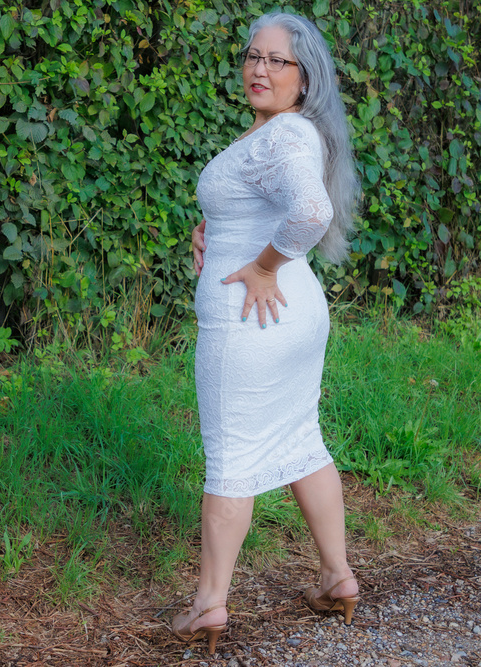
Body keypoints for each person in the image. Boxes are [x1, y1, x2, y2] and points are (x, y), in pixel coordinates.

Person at [170, 11, 362, 655]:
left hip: (252, 324)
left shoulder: (284, 136)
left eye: (277, 61)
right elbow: (261, 206)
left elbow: (311, 210)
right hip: (291, 319)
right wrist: (215, 233)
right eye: (254, 56)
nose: (259, 69)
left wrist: (259, 266)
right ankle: (336, 576)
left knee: (231, 459)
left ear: (304, 79)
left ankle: (208, 605)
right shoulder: (278, 136)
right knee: (303, 438)